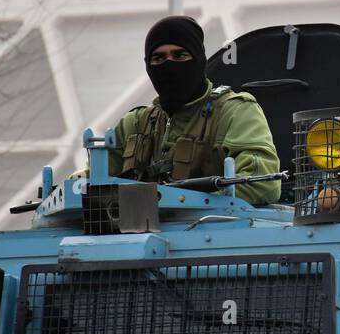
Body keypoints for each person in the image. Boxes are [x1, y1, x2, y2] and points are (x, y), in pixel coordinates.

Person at [74, 16, 281, 205]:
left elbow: (262, 185)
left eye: (180, 55)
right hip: (137, 233)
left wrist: (183, 204)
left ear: (199, 60)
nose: (169, 65)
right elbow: (93, 180)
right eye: (158, 58)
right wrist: (73, 185)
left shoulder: (234, 112)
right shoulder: (135, 123)